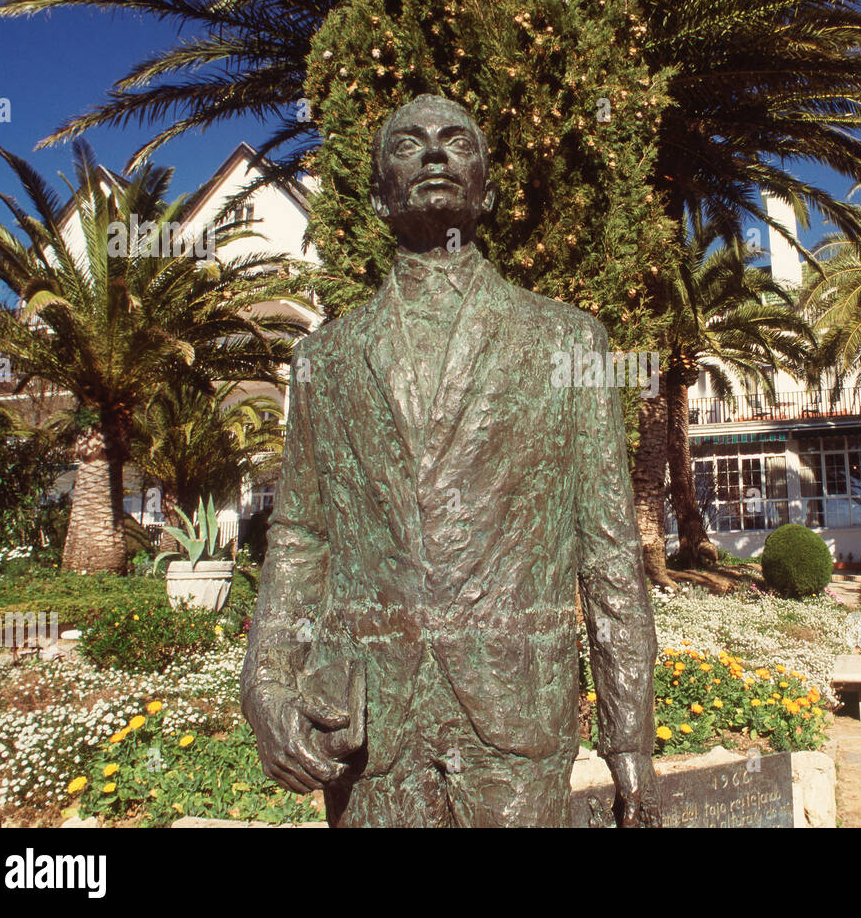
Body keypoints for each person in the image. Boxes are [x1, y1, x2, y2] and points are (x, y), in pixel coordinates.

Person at [241, 94, 661, 827]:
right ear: (376, 196)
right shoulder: (325, 359)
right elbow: (301, 536)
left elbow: (607, 550)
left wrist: (630, 739)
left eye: (456, 141)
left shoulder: (568, 342)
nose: (434, 154)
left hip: (516, 716)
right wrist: (267, 684)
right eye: (407, 144)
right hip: (369, 722)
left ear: (489, 189)